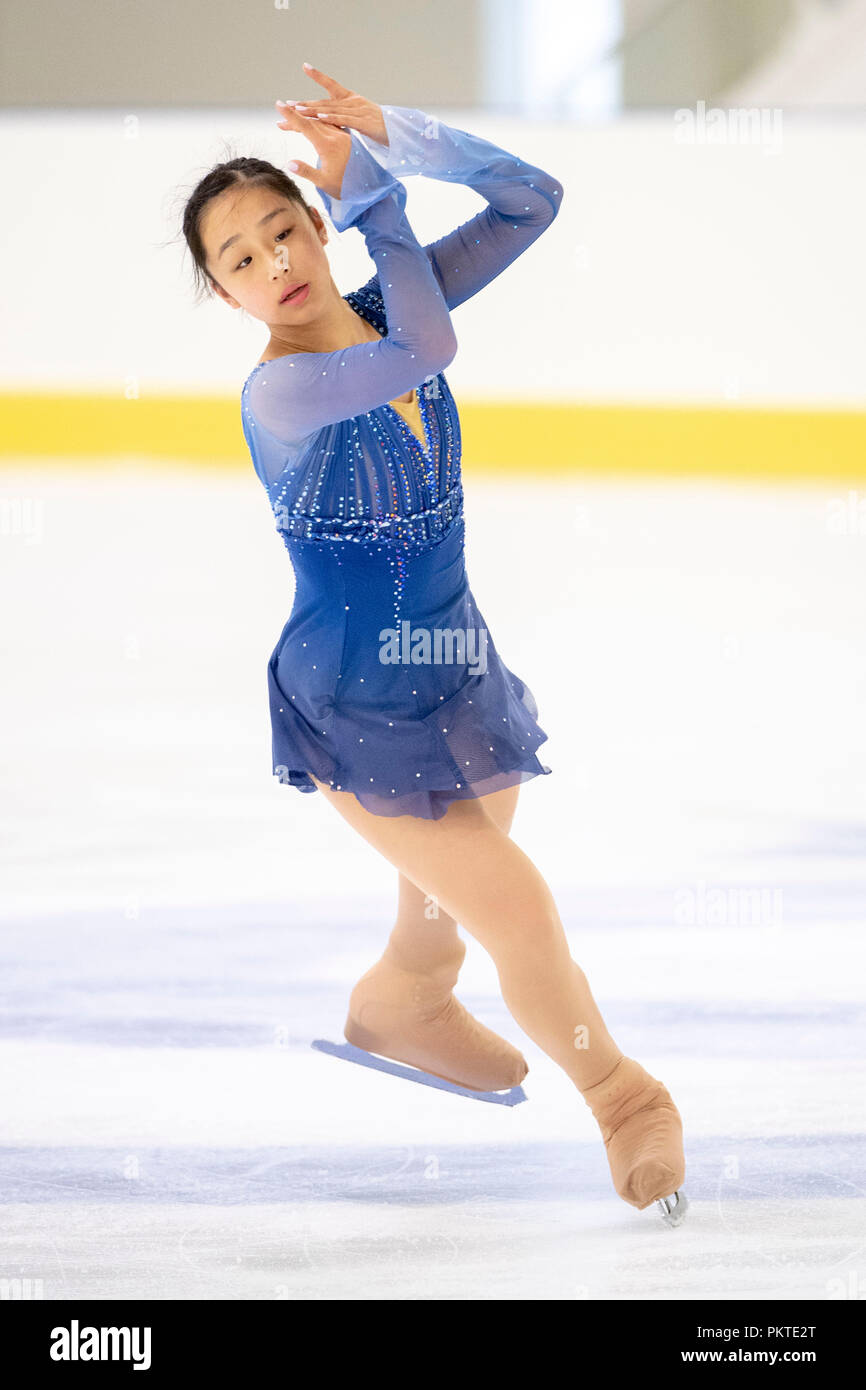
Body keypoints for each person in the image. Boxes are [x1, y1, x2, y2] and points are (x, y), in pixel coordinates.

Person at [181, 63, 687, 1220]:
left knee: (441, 912)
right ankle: (622, 1100)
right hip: (352, 701)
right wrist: (372, 200)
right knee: (512, 904)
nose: (275, 263)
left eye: (282, 229)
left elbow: (531, 200)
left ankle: (405, 997)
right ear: (227, 296)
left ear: (312, 221)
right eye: (241, 260)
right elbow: (424, 351)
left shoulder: (378, 298)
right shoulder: (281, 397)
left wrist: (396, 141)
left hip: (453, 665)